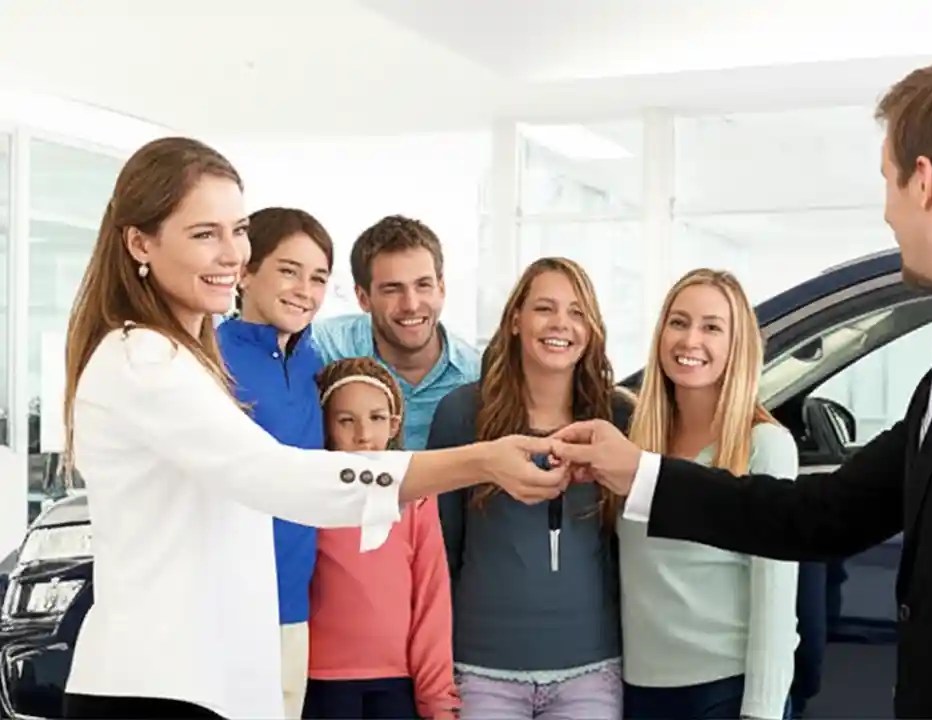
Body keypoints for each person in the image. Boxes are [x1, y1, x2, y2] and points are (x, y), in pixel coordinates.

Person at [551, 52, 932, 719]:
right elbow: (824, 515)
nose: (886, 212)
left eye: (887, 180)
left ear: (925, 181)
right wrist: (641, 474)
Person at [60, 136, 566, 720]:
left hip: (212, 675)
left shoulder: (197, 358)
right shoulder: (141, 359)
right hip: (155, 684)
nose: (233, 255)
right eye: (205, 234)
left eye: (238, 229)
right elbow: (280, 475)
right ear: (139, 242)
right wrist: (480, 460)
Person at [428, 257, 632, 720]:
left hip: (591, 672)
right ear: (516, 319)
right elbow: (440, 552)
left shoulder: (619, 420)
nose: (561, 323)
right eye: (545, 308)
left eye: (577, 312)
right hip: (482, 673)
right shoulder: (462, 414)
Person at [617, 269, 799, 720]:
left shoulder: (766, 446)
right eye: (678, 322)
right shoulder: (635, 445)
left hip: (725, 693)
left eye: (711, 327)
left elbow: (775, 603)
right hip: (639, 692)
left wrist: (762, 711)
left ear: (737, 346)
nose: (690, 340)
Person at [217, 206, 334, 718]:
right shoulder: (208, 359)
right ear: (245, 271)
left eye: (318, 278)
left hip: (294, 605)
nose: (304, 290)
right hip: (224, 604)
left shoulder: (314, 364)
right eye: (289, 270)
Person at [304, 358, 459, 720]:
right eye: (346, 420)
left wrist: (437, 699)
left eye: (376, 418)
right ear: (326, 425)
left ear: (394, 424)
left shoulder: (417, 498)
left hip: (395, 685)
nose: (363, 434)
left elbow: (431, 599)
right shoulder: (308, 496)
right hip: (320, 683)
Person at [311, 214, 479, 451]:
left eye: (423, 285)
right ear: (363, 298)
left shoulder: (478, 377)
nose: (410, 304)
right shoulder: (322, 348)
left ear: (441, 289)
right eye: (392, 289)